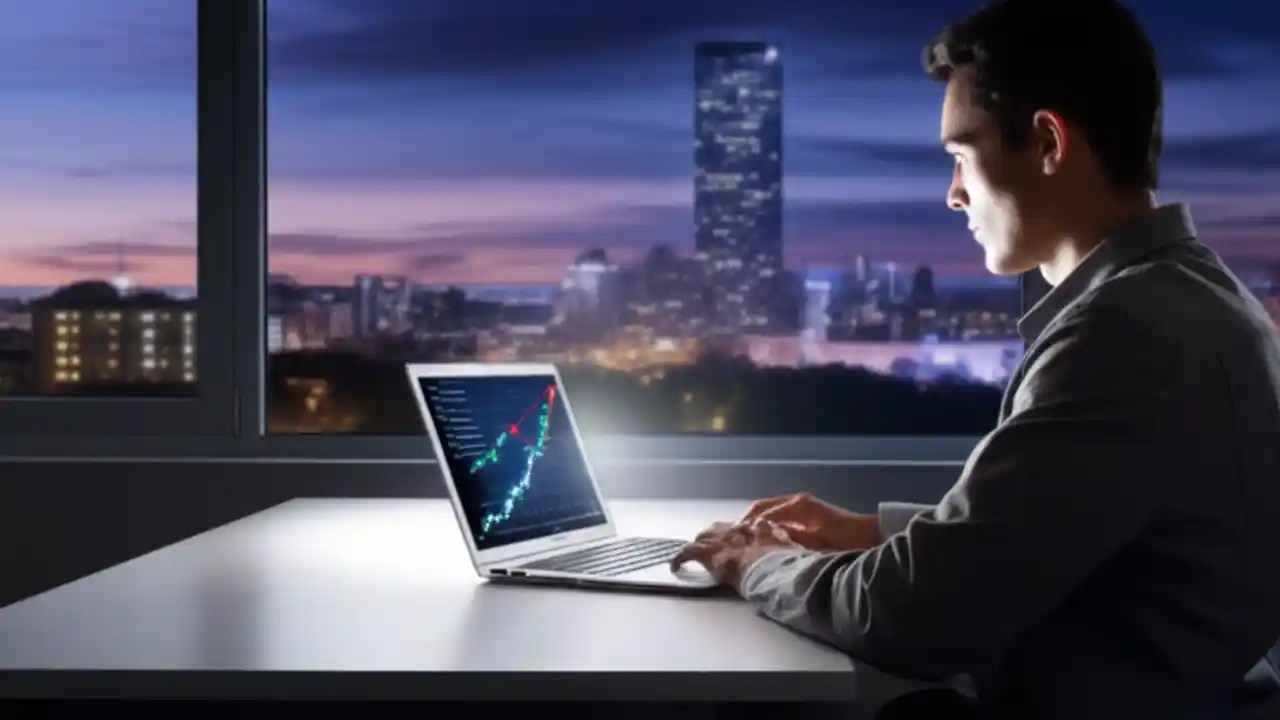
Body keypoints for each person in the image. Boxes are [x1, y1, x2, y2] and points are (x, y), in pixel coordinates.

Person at [670, 1, 1280, 717]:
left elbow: (911, 614)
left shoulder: (1123, 334)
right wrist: (876, 532)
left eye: (962, 155)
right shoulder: (1203, 297)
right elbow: (1067, 517)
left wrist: (758, 564)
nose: (953, 194)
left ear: (1049, 143)